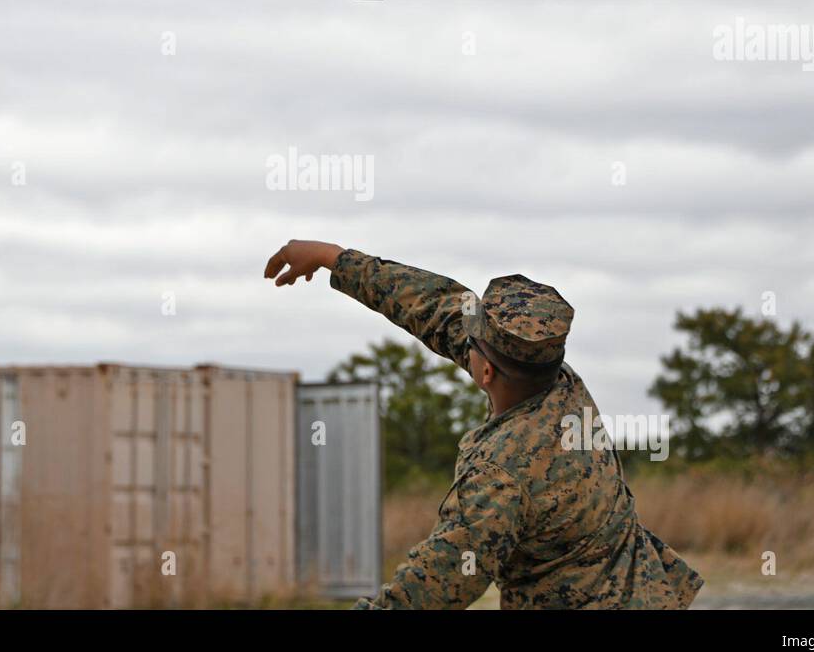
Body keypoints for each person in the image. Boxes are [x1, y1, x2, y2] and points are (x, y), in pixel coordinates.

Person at [264, 239, 704, 610]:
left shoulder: (502, 471)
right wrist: (333, 258)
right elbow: (434, 306)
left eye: (469, 341)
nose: (460, 338)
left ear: (485, 371)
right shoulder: (560, 382)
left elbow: (438, 580)